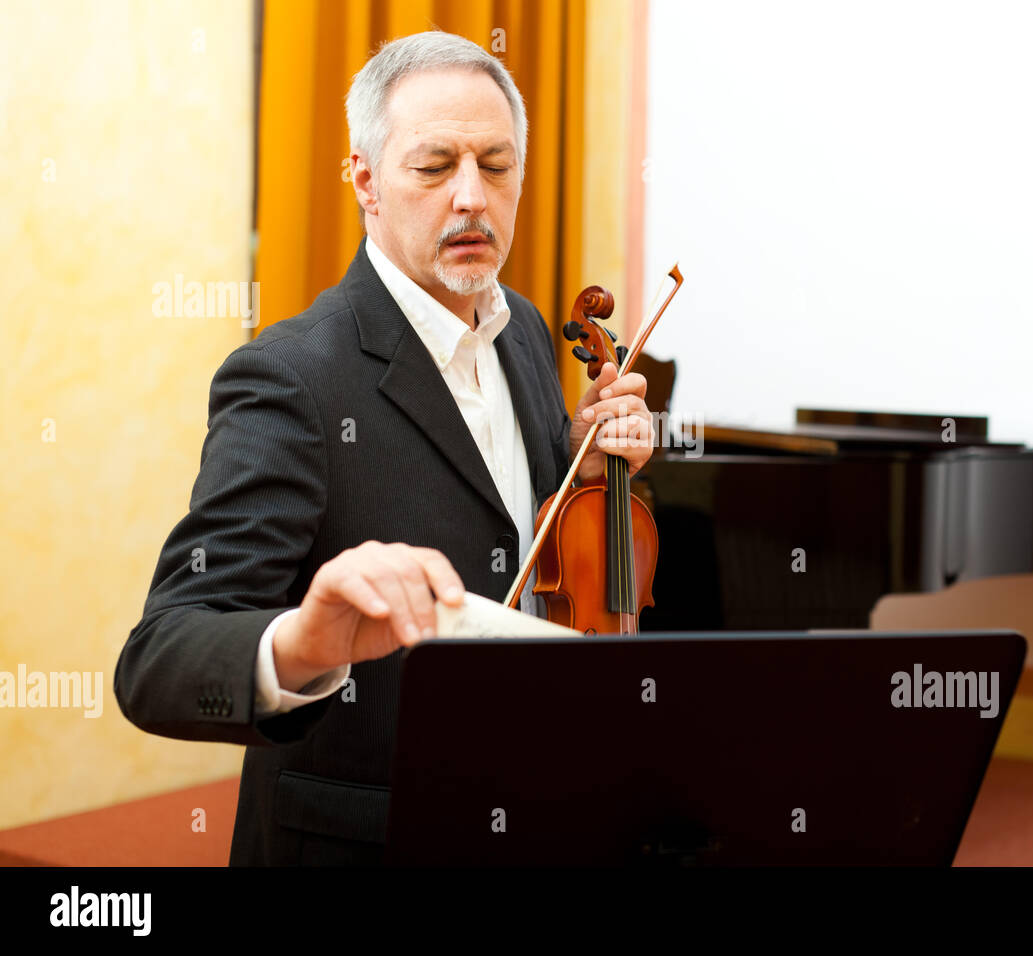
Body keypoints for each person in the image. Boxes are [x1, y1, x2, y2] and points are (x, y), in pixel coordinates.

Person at [114, 30, 653, 866]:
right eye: (435, 167)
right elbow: (158, 662)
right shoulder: (289, 377)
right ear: (366, 180)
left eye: (496, 165)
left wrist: (581, 458)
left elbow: (524, 550)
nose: (472, 197)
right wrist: (305, 641)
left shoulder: (524, 335)